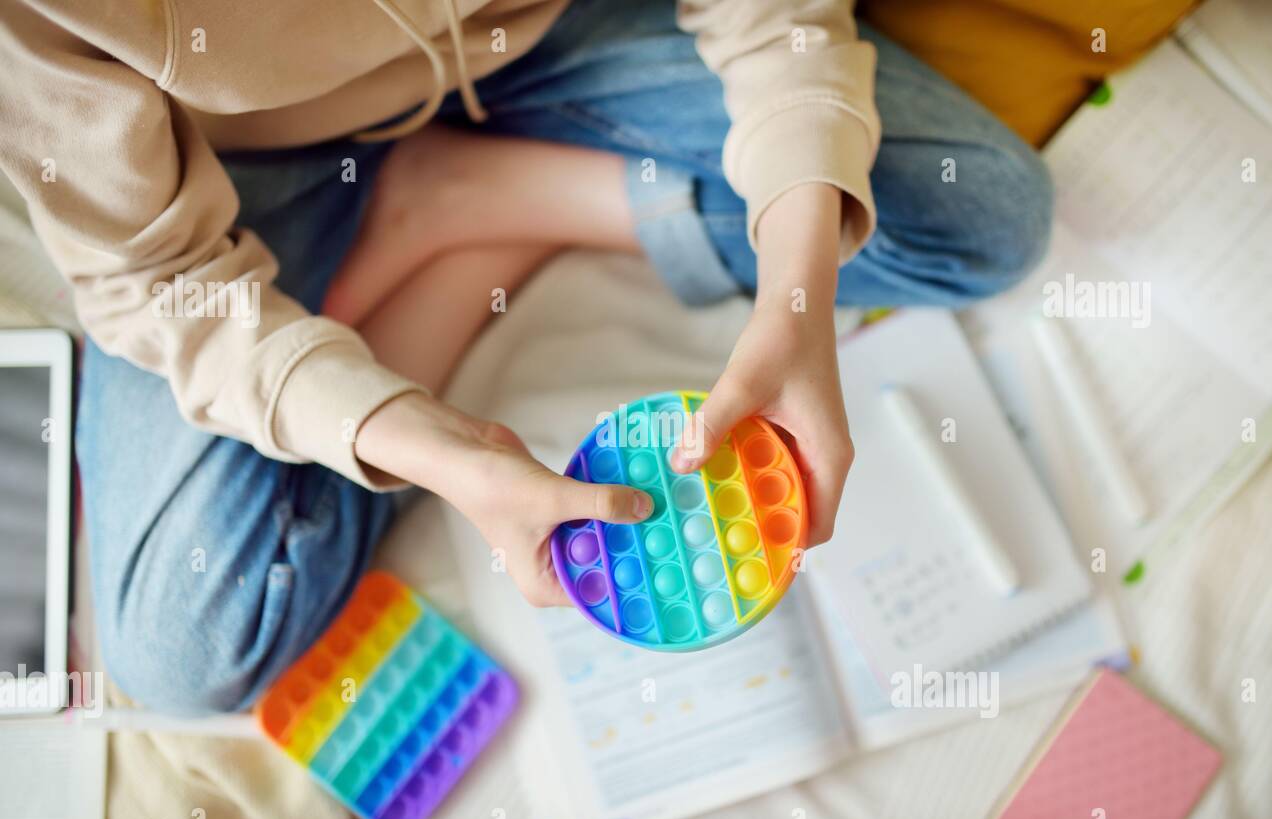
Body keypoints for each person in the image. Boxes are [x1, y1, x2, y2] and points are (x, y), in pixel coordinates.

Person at [0, 0, 1050, 713]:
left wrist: (798, 290)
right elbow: (157, 282)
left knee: (984, 215)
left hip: (542, 37)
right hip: (245, 166)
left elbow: (770, 18)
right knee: (187, 653)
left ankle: (465, 202)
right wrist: (437, 450)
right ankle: (480, 205)